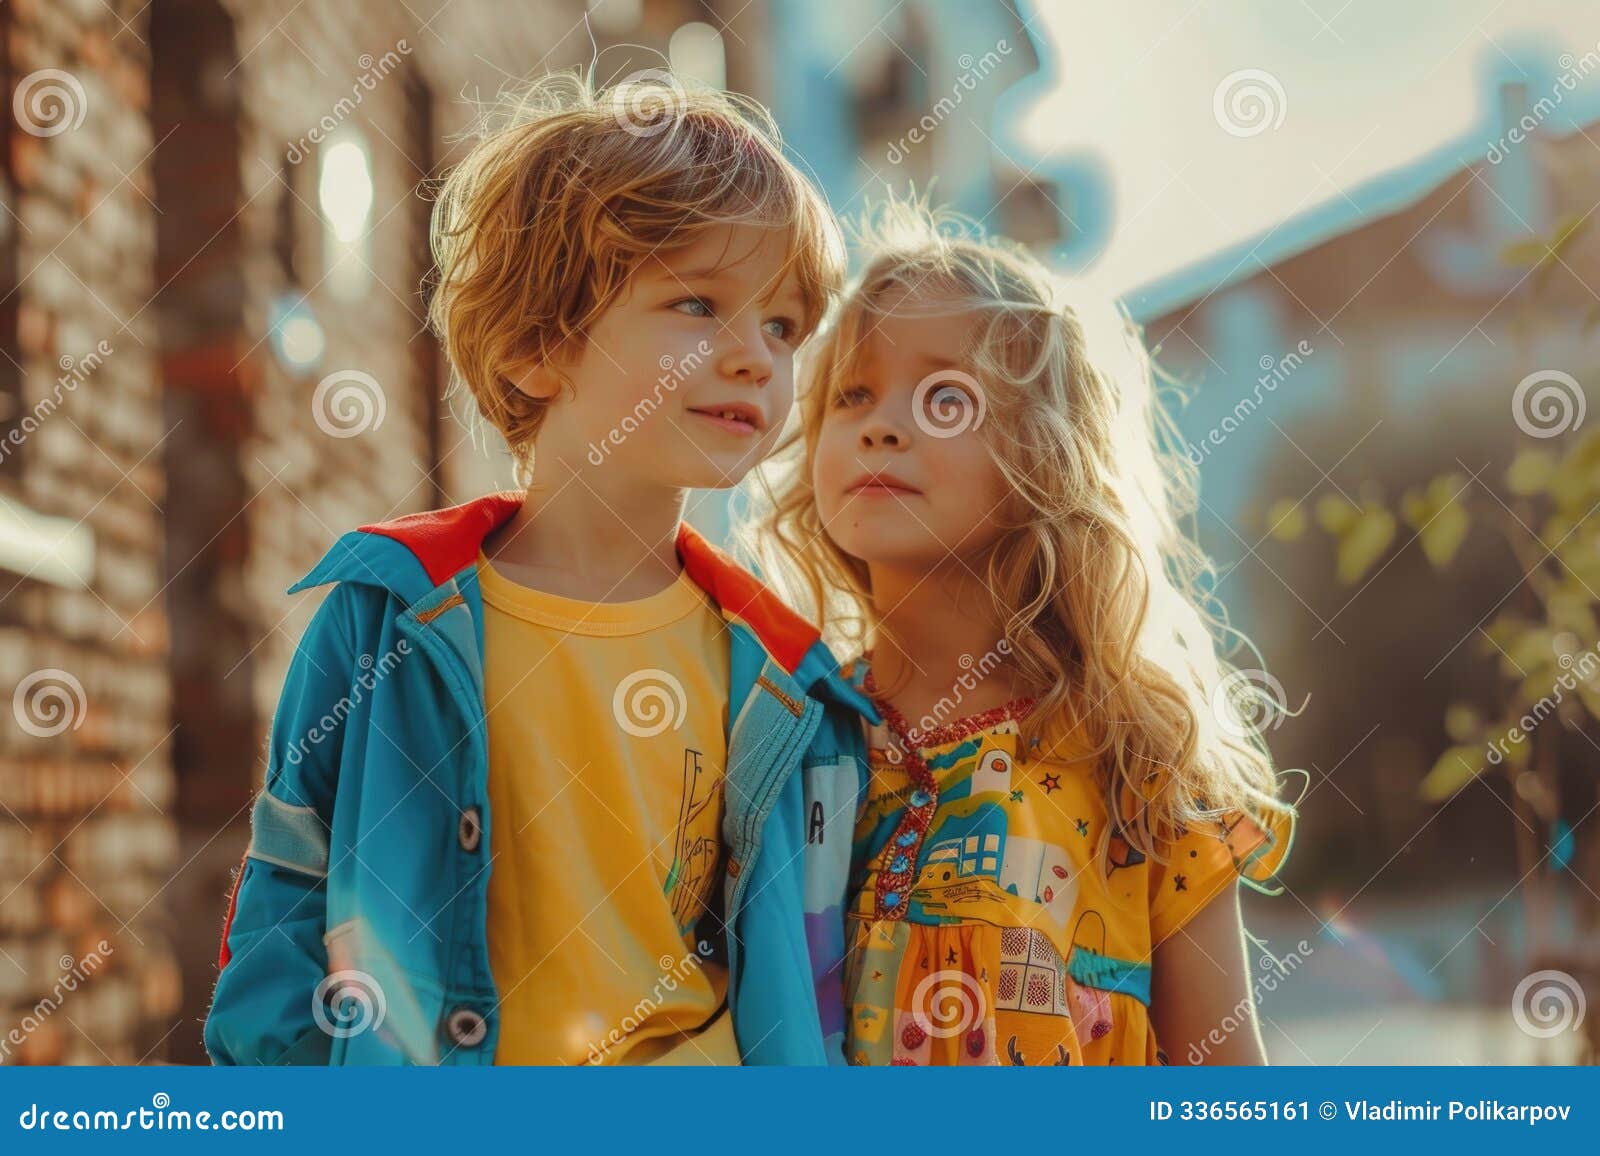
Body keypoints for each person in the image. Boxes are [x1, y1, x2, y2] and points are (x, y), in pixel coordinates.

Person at [204, 68, 876, 1066]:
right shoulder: (384, 613)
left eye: (782, 325)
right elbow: (285, 904)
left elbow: (814, 983)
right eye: (698, 303)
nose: (755, 358)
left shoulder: (789, 682)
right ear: (538, 348)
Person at [745, 198, 1301, 1066]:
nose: (880, 423)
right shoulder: (782, 742)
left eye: (945, 397)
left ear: (1042, 454)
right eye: (852, 394)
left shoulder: (1140, 759)